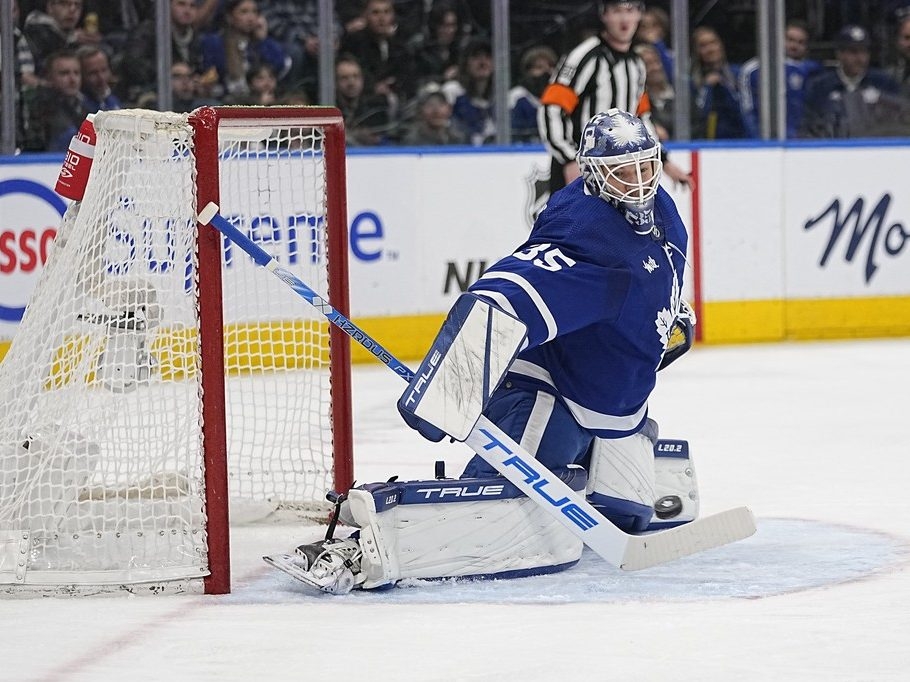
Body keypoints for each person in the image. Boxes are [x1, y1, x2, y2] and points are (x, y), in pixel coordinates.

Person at [278, 109, 699, 593]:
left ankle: (583, 469)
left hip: (612, 405)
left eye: (646, 167)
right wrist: (449, 386)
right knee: (511, 524)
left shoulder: (660, 208)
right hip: (551, 394)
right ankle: (363, 541)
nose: (639, 182)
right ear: (593, 172)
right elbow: (504, 294)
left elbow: (653, 270)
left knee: (628, 518)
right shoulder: (585, 233)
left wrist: (666, 311)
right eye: (623, 172)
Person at [538, 0, 690, 196]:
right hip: (581, 168)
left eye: (630, 10)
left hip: (623, 171)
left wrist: (664, 160)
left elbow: (641, 120)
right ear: (604, 15)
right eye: (617, 11)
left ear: (639, 15)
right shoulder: (585, 57)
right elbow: (552, 108)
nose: (624, 18)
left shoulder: (637, 65)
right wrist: (568, 159)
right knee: (576, 226)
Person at [800, 25, 906, 138]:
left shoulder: (884, 83)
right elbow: (808, 125)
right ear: (839, 54)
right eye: (853, 52)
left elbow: (898, 123)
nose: (860, 58)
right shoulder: (820, 86)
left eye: (864, 52)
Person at [739, 19, 821, 139]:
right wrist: (758, 142)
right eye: (790, 39)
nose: (794, 46)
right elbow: (748, 111)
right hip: (766, 140)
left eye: (800, 42)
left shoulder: (814, 71)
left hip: (803, 142)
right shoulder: (754, 70)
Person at [22, 49, 89, 151]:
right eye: (64, 73)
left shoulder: (84, 106)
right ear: (49, 77)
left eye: (76, 73)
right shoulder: (38, 106)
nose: (72, 79)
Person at [690, 26, 748, 140]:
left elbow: (743, 111)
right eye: (703, 46)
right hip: (705, 142)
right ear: (697, 51)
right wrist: (707, 87)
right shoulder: (692, 81)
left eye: (713, 43)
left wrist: (725, 86)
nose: (710, 49)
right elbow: (698, 115)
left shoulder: (737, 74)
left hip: (738, 140)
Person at [509, 45, 557, 143]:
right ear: (527, 71)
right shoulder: (517, 96)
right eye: (539, 67)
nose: (546, 71)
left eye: (550, 66)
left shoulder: (560, 96)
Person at [401, 84, 468, 145]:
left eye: (440, 104)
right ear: (420, 111)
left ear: (449, 109)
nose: (436, 110)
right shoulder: (411, 141)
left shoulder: (459, 138)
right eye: (430, 104)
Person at [77, 45, 121, 113]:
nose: (101, 78)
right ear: (80, 75)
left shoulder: (113, 100)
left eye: (104, 70)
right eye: (93, 73)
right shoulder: (78, 108)